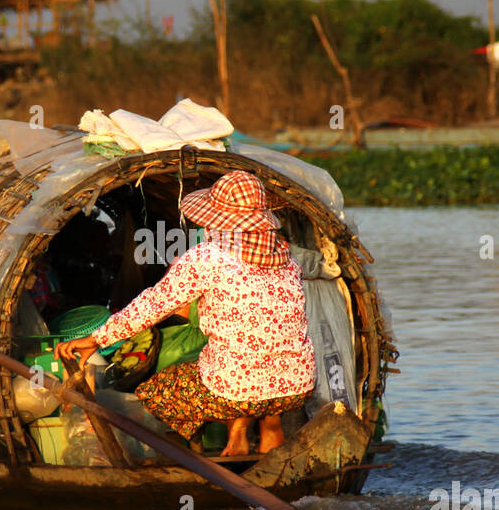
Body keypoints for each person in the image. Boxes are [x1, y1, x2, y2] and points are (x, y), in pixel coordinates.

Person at [55, 171, 315, 458]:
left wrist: (97, 339)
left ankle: (212, 450)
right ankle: (262, 432)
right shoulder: (286, 258)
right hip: (296, 383)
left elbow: (153, 305)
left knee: (159, 391)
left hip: (239, 386)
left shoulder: (207, 257)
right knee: (249, 380)